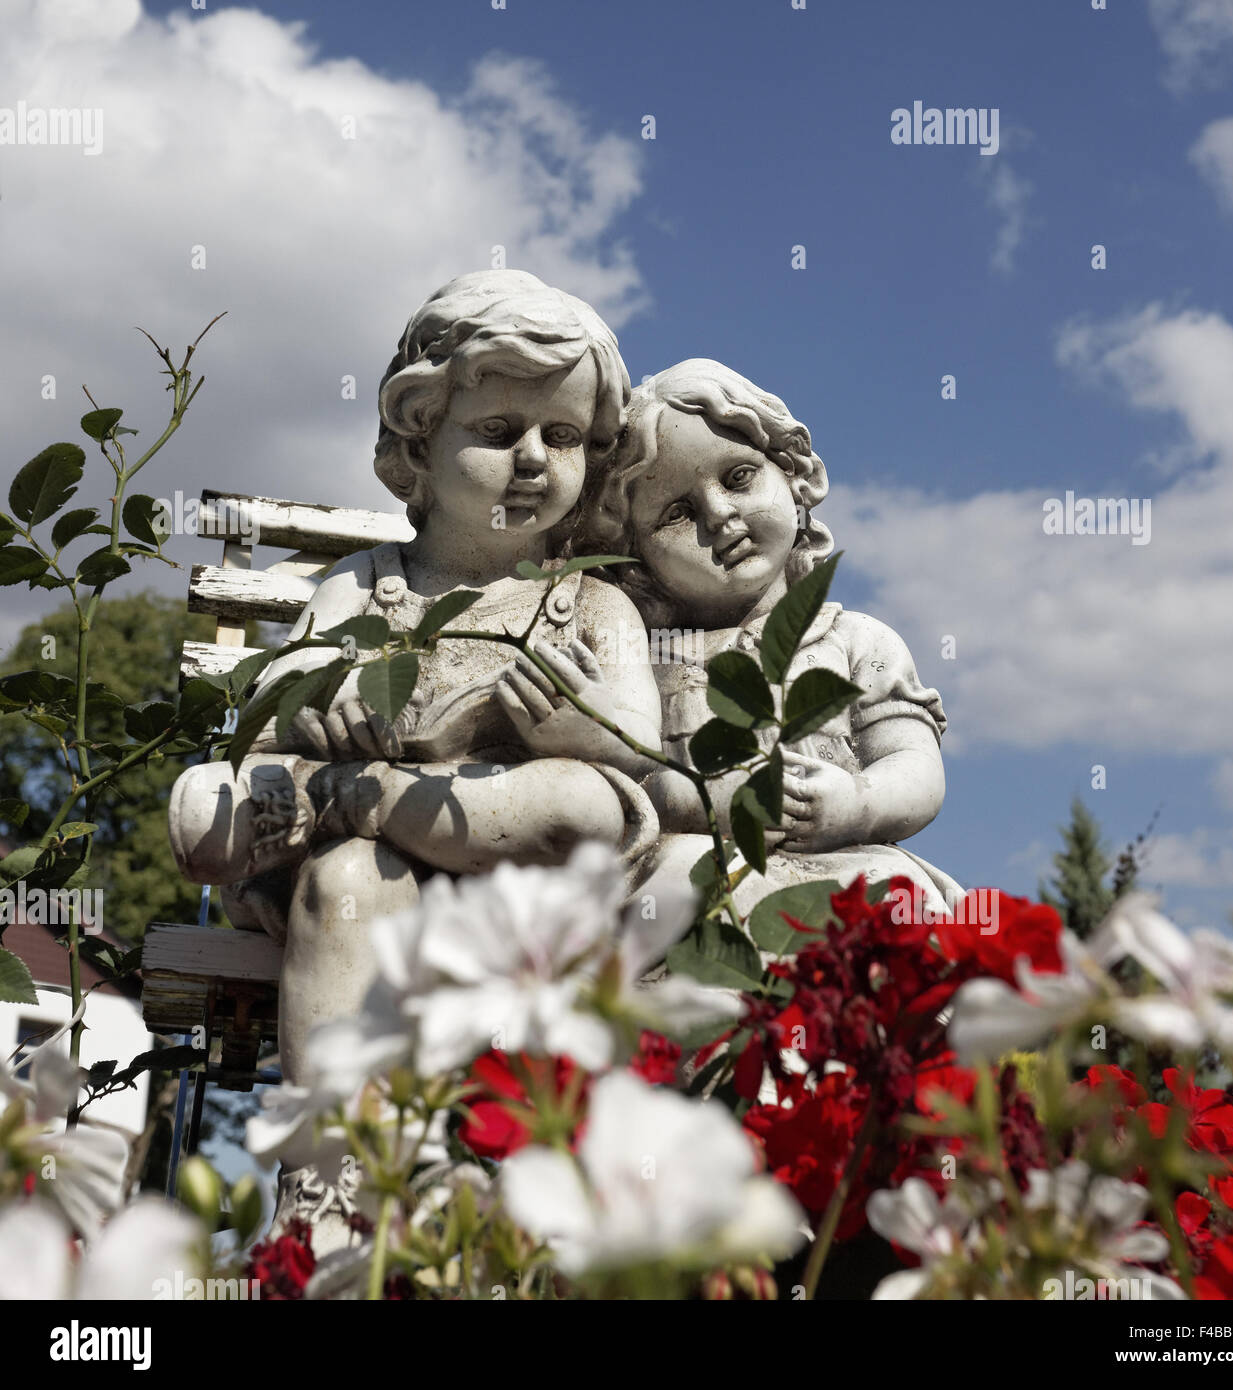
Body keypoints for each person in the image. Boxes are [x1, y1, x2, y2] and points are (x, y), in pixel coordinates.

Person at [167, 270, 661, 1079]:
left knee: (583, 804)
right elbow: (280, 693)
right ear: (420, 440)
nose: (534, 458)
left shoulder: (594, 604)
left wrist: (587, 729)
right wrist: (328, 699)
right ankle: (333, 1169)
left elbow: (641, 743)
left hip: (523, 871)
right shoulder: (365, 583)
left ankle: (350, 797)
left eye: (563, 436)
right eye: (500, 430)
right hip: (380, 874)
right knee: (318, 864)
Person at [582, 358, 962, 917]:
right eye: (677, 513)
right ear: (636, 559)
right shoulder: (646, 662)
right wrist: (712, 799)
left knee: (891, 899)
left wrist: (855, 805)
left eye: (738, 477)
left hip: (849, 862)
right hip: (706, 870)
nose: (719, 516)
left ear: (792, 474)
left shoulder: (857, 641)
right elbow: (634, 784)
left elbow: (915, 767)